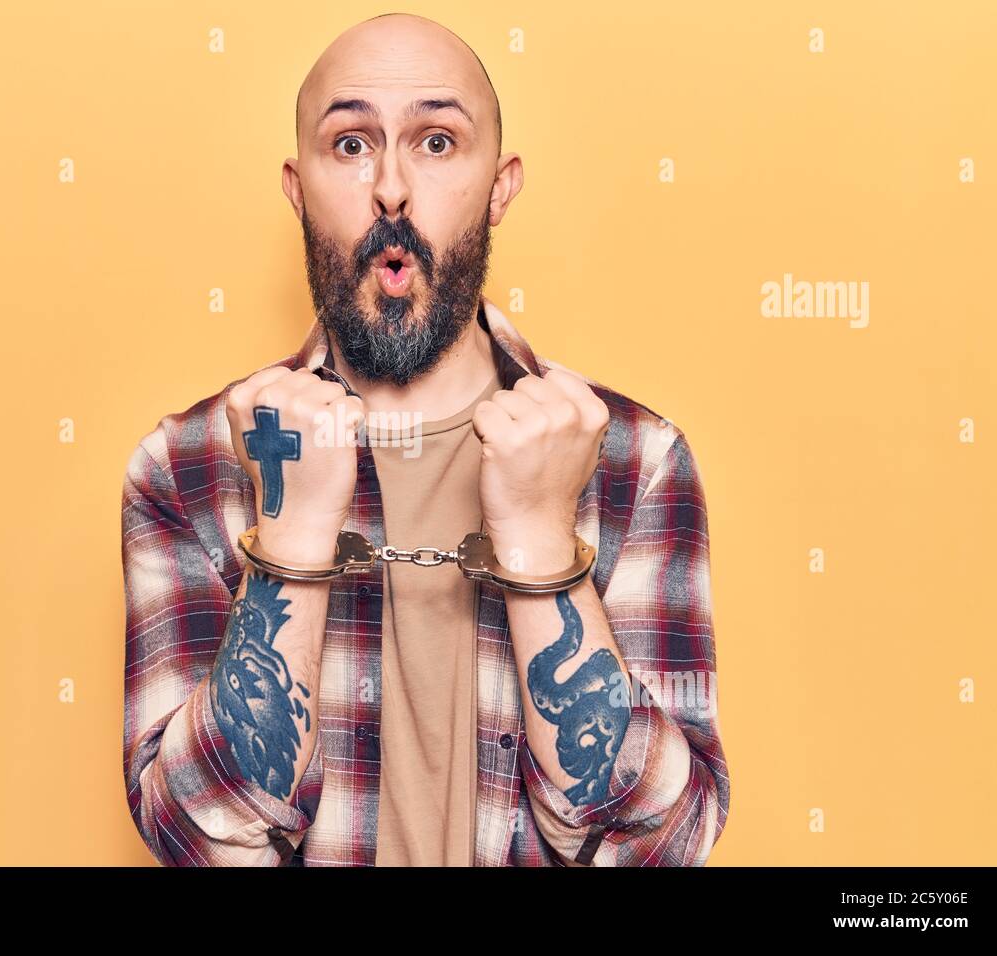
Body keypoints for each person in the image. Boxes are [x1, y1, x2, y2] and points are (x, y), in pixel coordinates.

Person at [122, 12, 728, 866]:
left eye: (438, 142)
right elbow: (201, 841)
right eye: (351, 145)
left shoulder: (637, 461)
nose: (393, 189)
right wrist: (292, 543)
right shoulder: (187, 467)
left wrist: (539, 543)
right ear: (298, 189)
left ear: (501, 186)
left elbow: (658, 844)